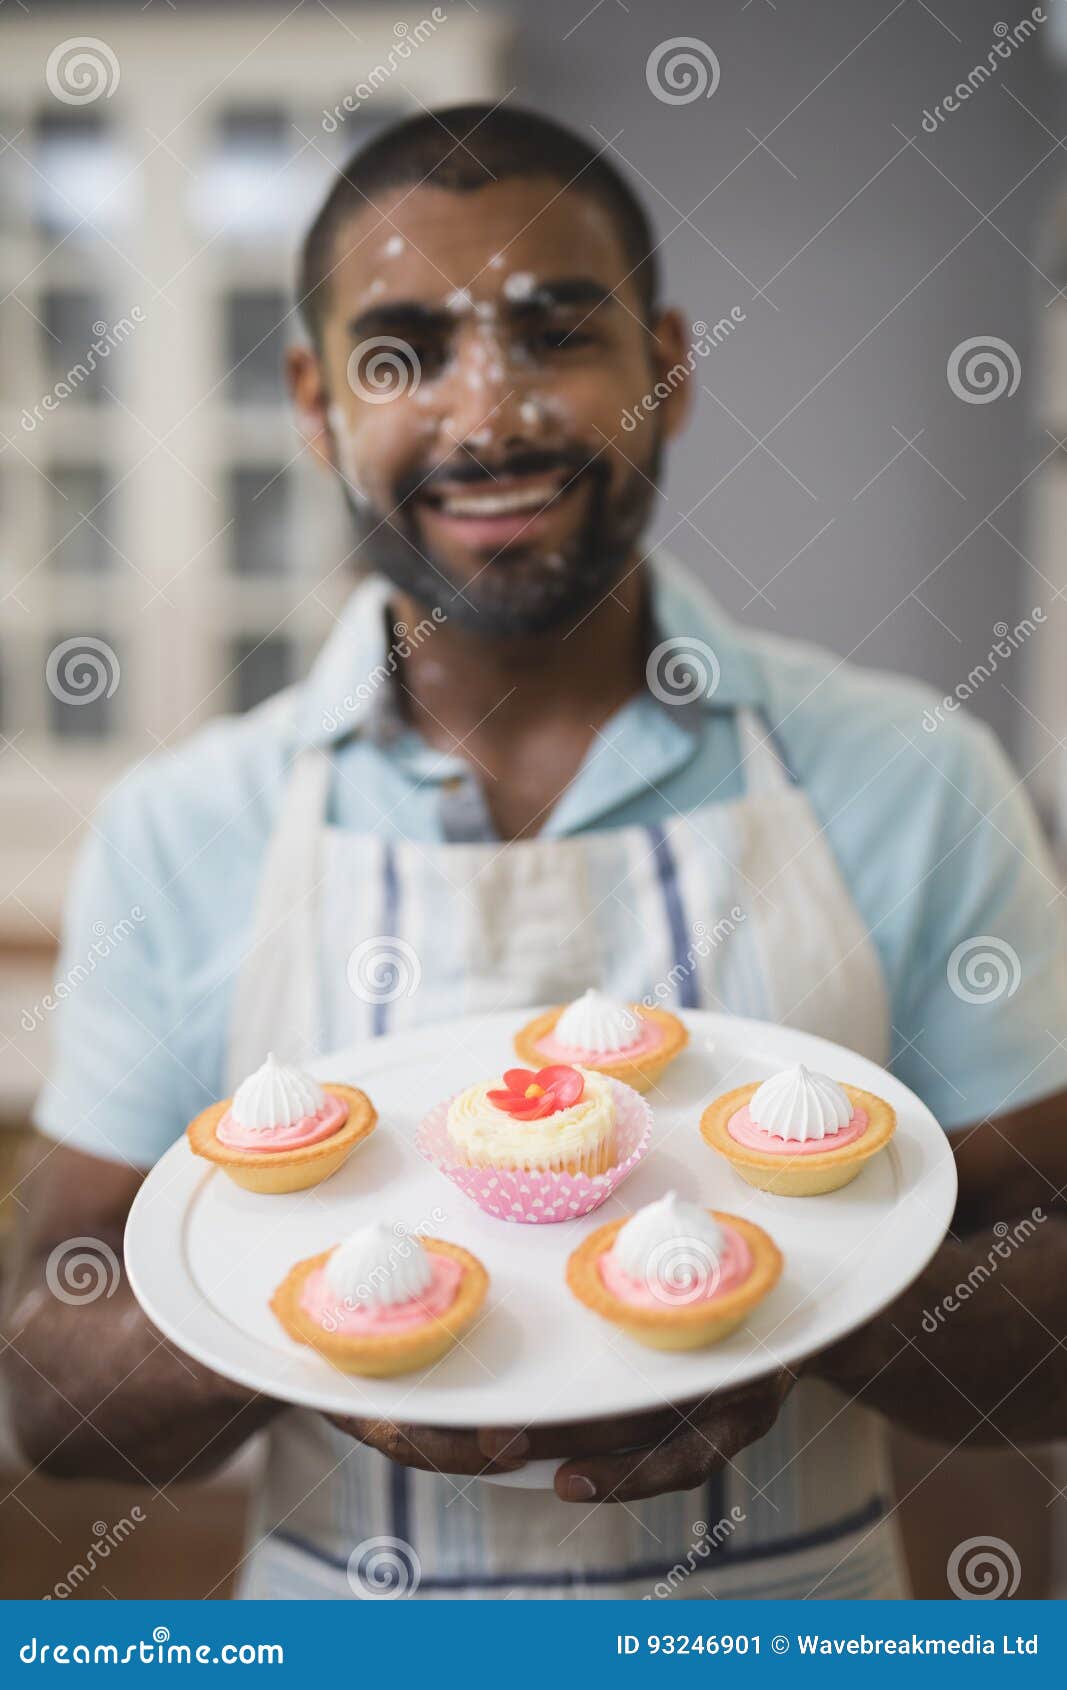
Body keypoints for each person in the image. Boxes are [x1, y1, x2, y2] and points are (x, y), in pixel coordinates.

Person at [5, 104, 1067, 1602]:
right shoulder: (183, 832)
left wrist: (781, 1295)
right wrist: (314, 1322)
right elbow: (55, 1387)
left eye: (557, 334)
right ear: (312, 402)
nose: (485, 413)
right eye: (402, 352)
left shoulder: (912, 777)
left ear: (670, 369)